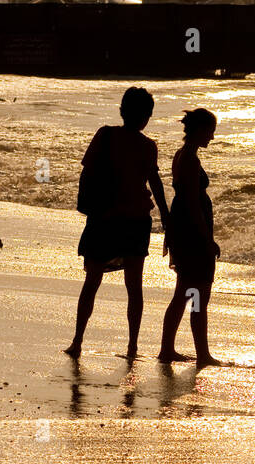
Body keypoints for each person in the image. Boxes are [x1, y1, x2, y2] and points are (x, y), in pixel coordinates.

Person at [65, 87, 170, 359]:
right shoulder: (148, 146)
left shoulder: (106, 135)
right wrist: (168, 220)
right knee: (134, 286)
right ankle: (132, 347)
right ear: (146, 116)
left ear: (122, 111)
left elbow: (87, 173)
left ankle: (77, 342)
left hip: (105, 217)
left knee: (92, 281)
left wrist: (89, 207)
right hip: (136, 220)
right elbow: (155, 184)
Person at [158, 109, 220, 366]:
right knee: (197, 295)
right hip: (193, 233)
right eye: (210, 131)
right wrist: (207, 239)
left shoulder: (180, 155)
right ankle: (202, 354)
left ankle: (167, 349)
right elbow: (193, 204)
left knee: (184, 292)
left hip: (183, 228)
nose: (213, 137)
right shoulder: (190, 160)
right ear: (200, 130)